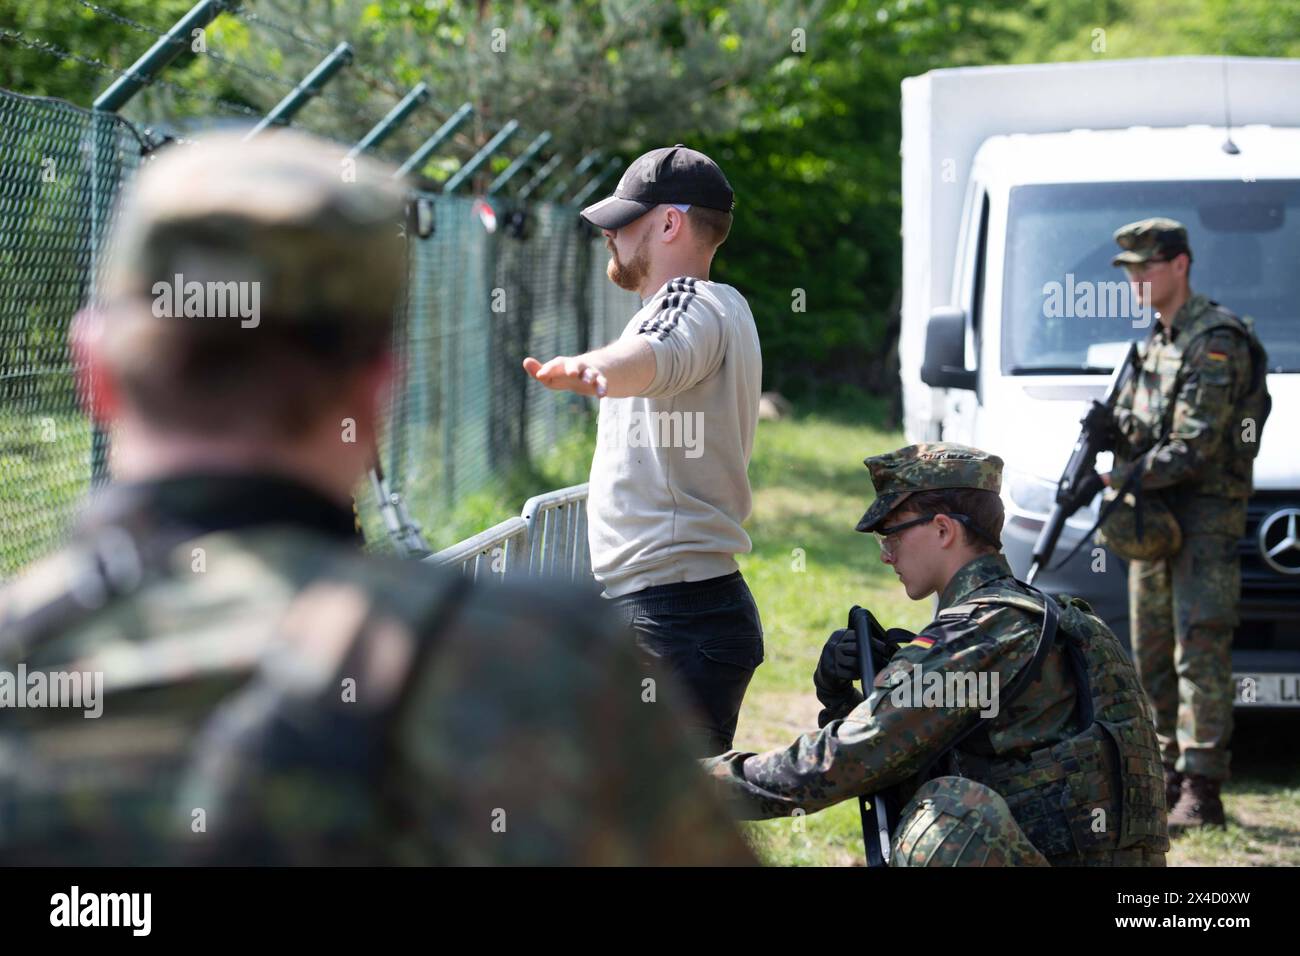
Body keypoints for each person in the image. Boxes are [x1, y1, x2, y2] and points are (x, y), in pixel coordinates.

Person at [0, 130, 754, 866]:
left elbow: (658, 351)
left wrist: (600, 368)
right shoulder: (537, 668)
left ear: (93, 372)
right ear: (379, 386)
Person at [703, 443, 1169, 866]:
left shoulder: (981, 632)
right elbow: (926, 755)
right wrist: (847, 697)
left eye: (892, 536)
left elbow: (842, 764)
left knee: (943, 821)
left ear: (943, 530)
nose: (887, 555)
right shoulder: (1058, 617)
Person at [523, 145, 763, 757]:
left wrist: (590, 367)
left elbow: (660, 355)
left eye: (624, 219)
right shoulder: (723, 306)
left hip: (677, 619)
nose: (609, 234)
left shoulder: (690, 302)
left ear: (669, 222)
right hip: (682, 613)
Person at [1103, 217, 1270, 831]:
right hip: (1154, 518)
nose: (1138, 279)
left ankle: (1202, 787)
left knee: (1198, 647)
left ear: (1180, 265)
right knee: (1148, 653)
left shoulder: (1215, 339)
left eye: (1147, 267)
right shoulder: (1152, 342)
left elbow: (1195, 446)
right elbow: (1139, 425)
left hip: (1203, 519)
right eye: (1130, 271)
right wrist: (1109, 435)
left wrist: (1125, 475)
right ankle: (1165, 773)